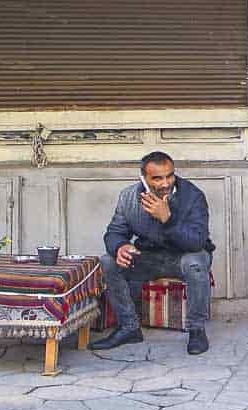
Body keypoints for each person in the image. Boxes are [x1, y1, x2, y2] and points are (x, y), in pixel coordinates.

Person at [91, 151, 214, 356]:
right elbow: (114, 232)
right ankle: (129, 327)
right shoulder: (129, 197)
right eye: (157, 178)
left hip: (183, 256)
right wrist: (120, 246)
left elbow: (197, 242)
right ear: (144, 178)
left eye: (169, 176)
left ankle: (196, 330)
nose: (165, 183)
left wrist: (168, 219)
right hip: (149, 257)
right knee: (108, 262)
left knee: (196, 262)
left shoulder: (193, 196)